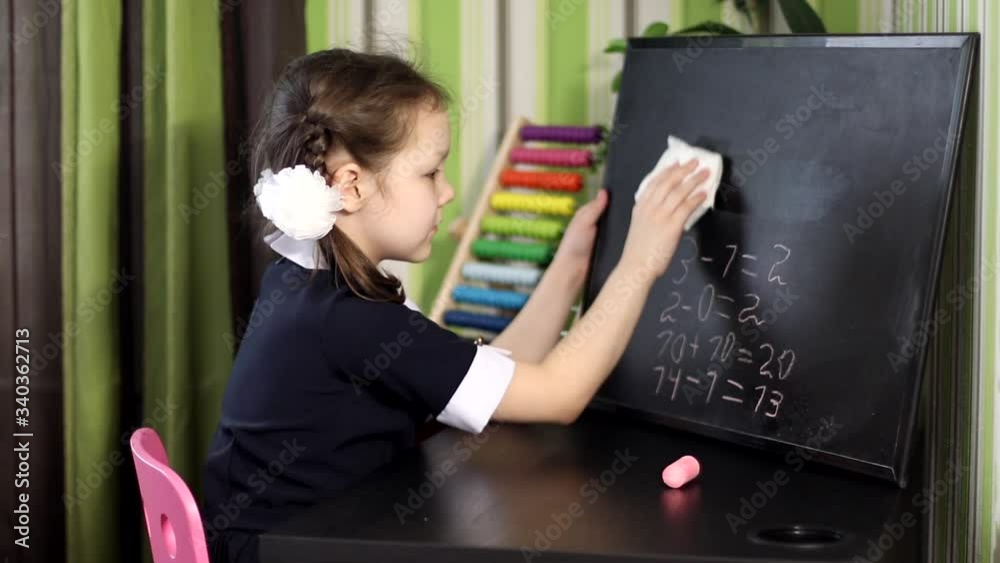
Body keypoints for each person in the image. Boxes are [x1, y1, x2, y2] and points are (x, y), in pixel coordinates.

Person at [202, 48, 708, 563]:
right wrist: (642, 261)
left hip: (272, 539)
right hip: (287, 552)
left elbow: (497, 379)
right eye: (430, 174)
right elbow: (560, 394)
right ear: (350, 185)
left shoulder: (310, 283)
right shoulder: (351, 320)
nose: (447, 193)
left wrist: (571, 267)